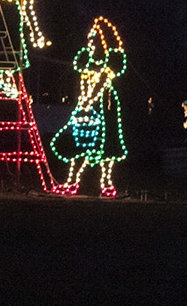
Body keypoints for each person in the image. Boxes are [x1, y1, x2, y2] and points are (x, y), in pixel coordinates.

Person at [51, 16, 129, 197]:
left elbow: (103, 81)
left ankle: (107, 184)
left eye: (94, 38)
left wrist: (90, 100)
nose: (91, 41)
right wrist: (83, 101)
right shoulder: (86, 60)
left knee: (107, 145)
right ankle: (71, 182)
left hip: (104, 107)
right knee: (80, 143)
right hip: (85, 106)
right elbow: (83, 81)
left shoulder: (109, 63)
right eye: (90, 38)